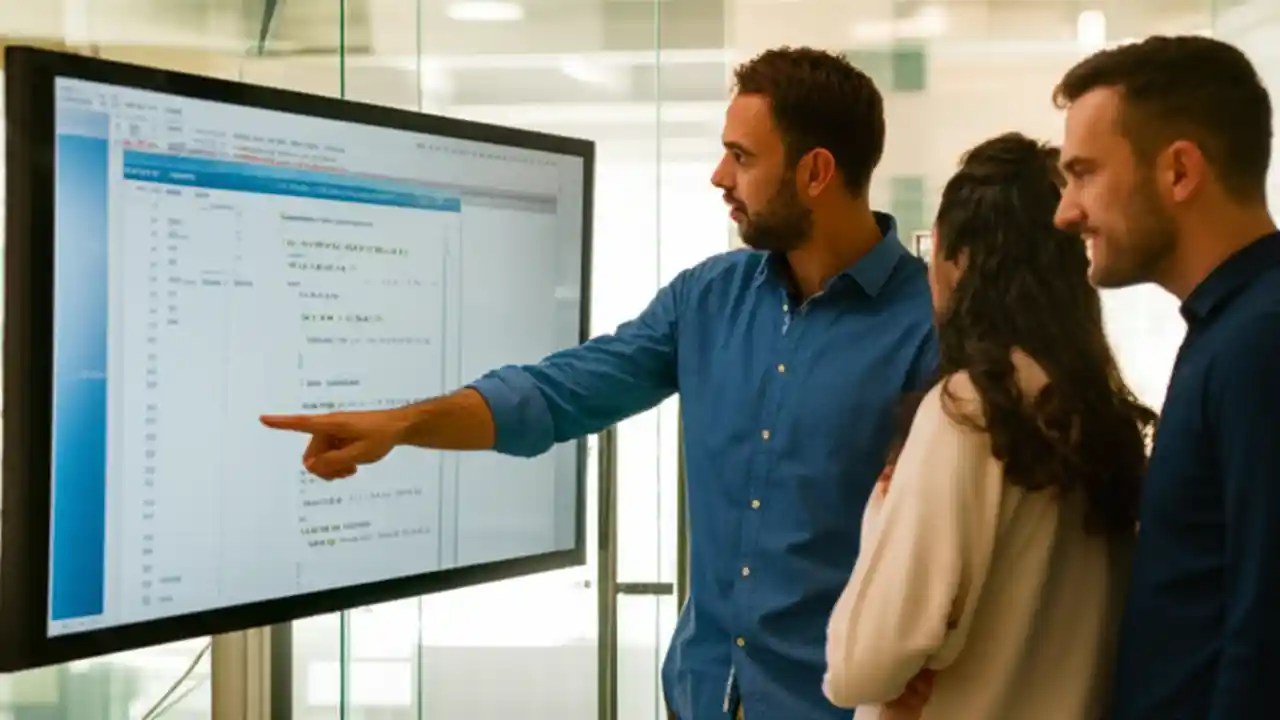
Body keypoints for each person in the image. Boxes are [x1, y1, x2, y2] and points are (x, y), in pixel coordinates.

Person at [261, 46, 938, 719]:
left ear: (816, 171)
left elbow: (942, 552)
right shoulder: (708, 298)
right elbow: (562, 392)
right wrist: (402, 426)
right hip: (701, 697)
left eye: (743, 156)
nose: (718, 175)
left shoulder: (930, 332)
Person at [823, 133, 1156, 719]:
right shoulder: (1098, 415)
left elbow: (862, 664)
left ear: (960, 262)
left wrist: (881, 512)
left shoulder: (970, 410)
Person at [1052, 35, 1280, 719]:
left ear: (1179, 171)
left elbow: (1263, 626)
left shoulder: (1259, 341)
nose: (1065, 212)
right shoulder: (1229, 327)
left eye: (1084, 173)